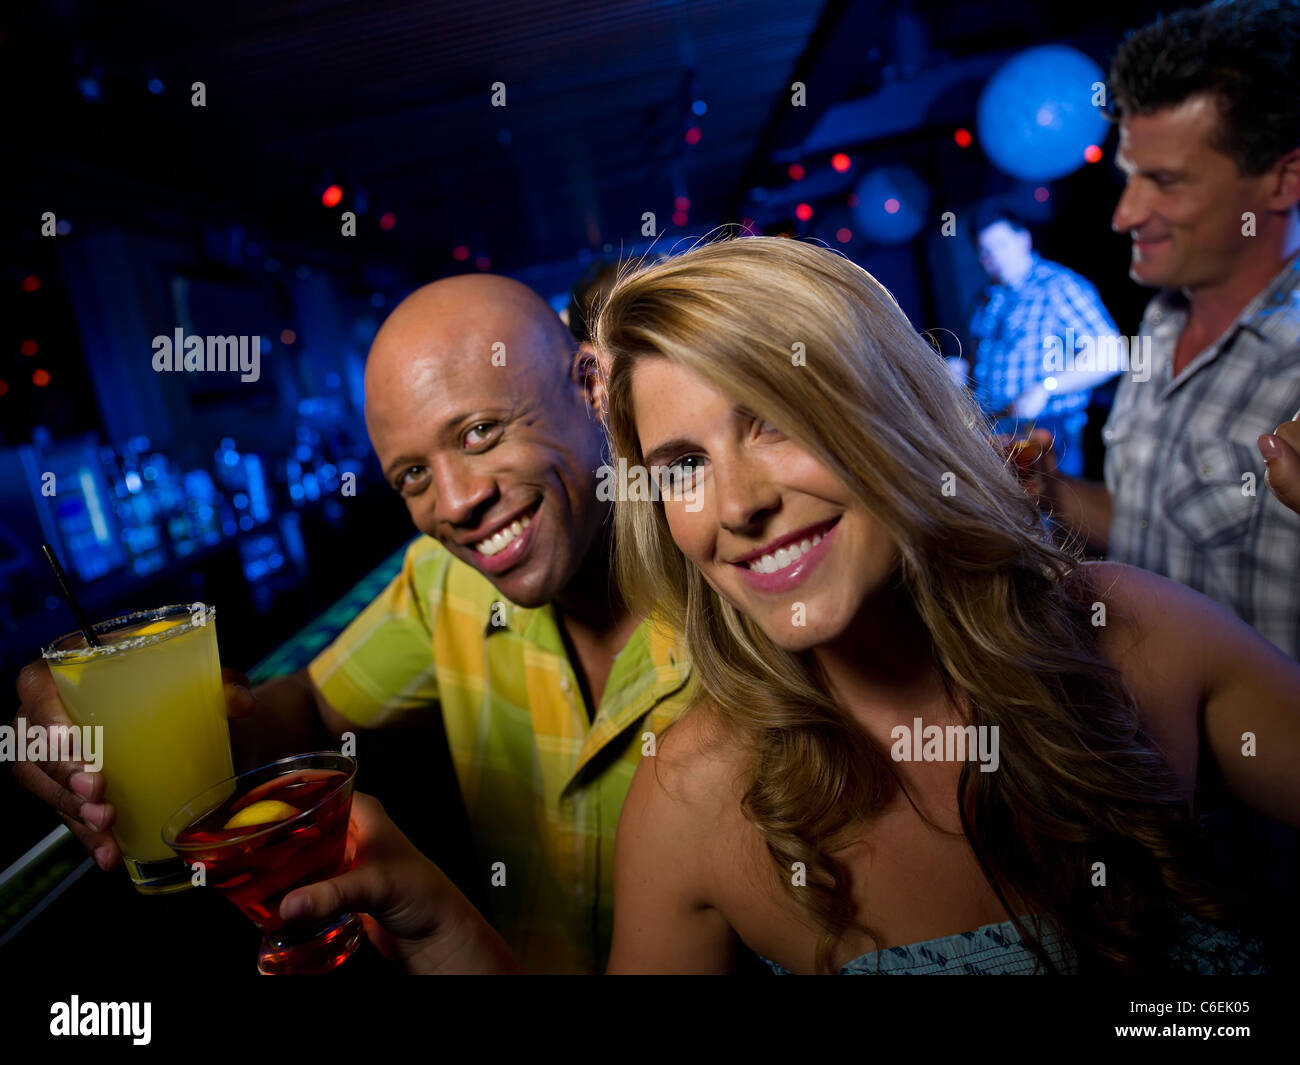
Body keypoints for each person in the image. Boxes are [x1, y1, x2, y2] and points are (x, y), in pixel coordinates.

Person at [277, 237, 1300, 975]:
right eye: (681, 464)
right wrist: (443, 929)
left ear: (884, 413)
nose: (737, 505)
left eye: (770, 424)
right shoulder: (695, 801)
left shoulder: (1132, 637)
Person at [12, 273, 693, 975]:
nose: (456, 502)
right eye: (412, 477)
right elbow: (307, 704)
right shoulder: (445, 583)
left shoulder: (744, 601)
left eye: (481, 431)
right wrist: (149, 730)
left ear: (590, 388)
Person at [1026, 0, 1300, 661]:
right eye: (1128, 177)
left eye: (1165, 182)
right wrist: (1050, 494)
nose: (1124, 215)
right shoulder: (1161, 315)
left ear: (1284, 179)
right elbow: (1154, 522)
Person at [964, 201, 1122, 478]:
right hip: (995, 434)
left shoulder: (1058, 287)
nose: (995, 257)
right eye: (985, 251)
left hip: (1051, 432)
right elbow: (983, 362)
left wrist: (1045, 387)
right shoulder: (985, 300)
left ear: (1023, 239)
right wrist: (960, 369)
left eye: (1001, 245)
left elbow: (1113, 354)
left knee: (1054, 518)